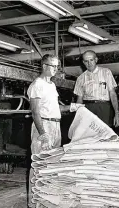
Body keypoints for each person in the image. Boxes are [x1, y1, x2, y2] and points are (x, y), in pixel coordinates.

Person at [26, 54, 77, 208]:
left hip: (55, 125)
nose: (56, 69)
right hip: (44, 126)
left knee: (52, 164)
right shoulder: (37, 84)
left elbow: (56, 109)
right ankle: (34, 203)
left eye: (57, 66)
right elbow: (35, 112)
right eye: (53, 66)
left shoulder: (51, 85)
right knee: (39, 164)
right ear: (44, 66)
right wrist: (43, 134)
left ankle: (46, 200)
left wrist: (72, 107)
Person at [73, 50, 119, 127]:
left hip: (104, 107)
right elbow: (79, 99)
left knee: (104, 134)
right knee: (89, 134)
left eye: (91, 60)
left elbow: (112, 94)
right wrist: (78, 117)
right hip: (87, 108)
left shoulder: (106, 72)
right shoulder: (80, 78)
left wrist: (116, 113)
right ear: (83, 62)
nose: (89, 63)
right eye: (86, 61)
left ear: (96, 60)